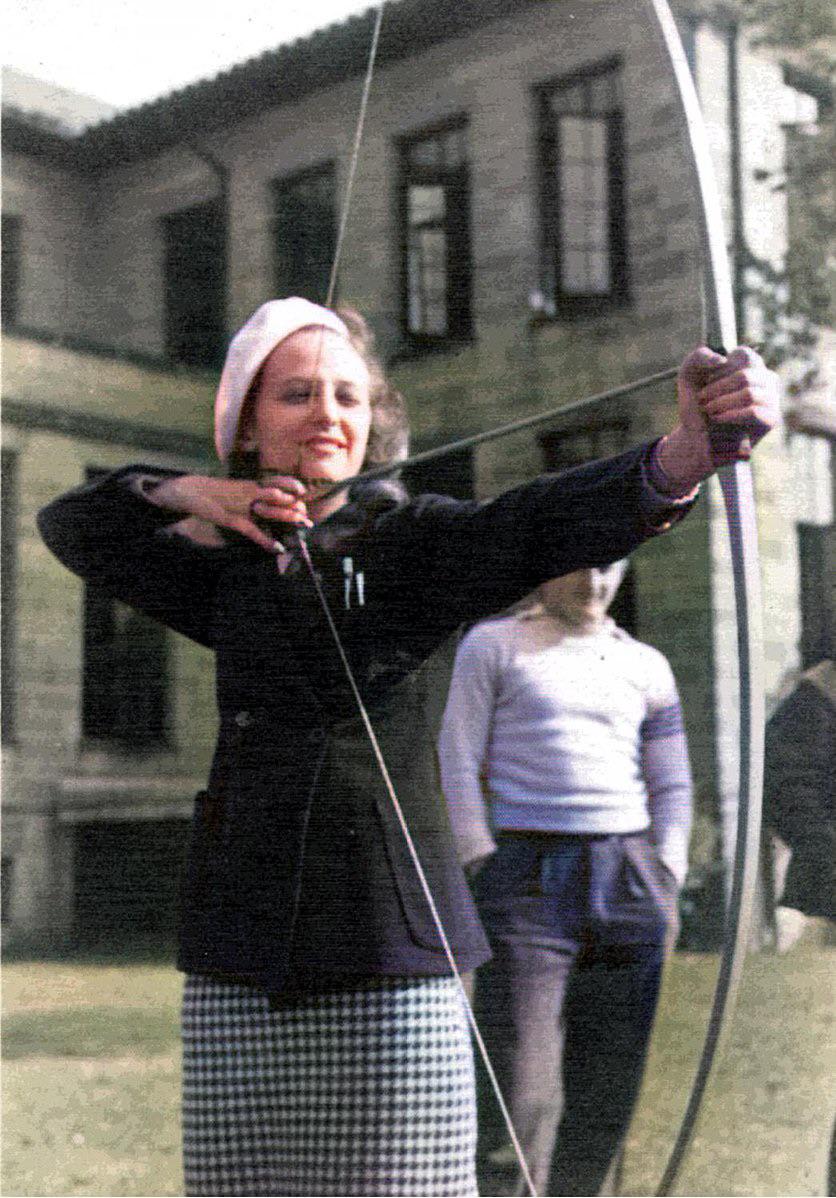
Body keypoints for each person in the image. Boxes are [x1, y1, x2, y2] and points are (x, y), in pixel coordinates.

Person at [37, 296, 778, 1197]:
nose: (328, 413)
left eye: (348, 396)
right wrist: (189, 492)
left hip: (390, 956)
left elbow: (534, 523)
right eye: (297, 394)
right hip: (240, 953)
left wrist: (683, 456)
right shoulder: (229, 570)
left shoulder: (412, 545)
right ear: (246, 427)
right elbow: (73, 524)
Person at [438, 561, 694, 1197]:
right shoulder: (494, 645)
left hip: (628, 875)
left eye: (609, 566)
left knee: (607, 1086)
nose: (594, 582)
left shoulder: (645, 665)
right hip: (527, 877)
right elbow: (456, 760)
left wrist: (668, 867)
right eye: (579, 564)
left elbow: (672, 780)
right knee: (519, 1087)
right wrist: (480, 858)